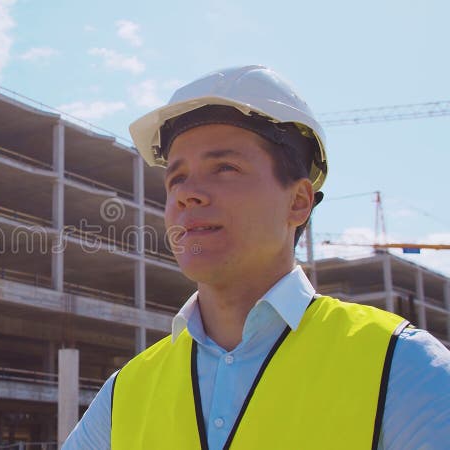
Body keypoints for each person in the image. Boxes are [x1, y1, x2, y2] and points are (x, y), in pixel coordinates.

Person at [63, 65, 450, 449]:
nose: (187, 194)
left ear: (298, 202)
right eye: (176, 178)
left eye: (225, 168)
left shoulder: (402, 366)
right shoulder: (124, 395)